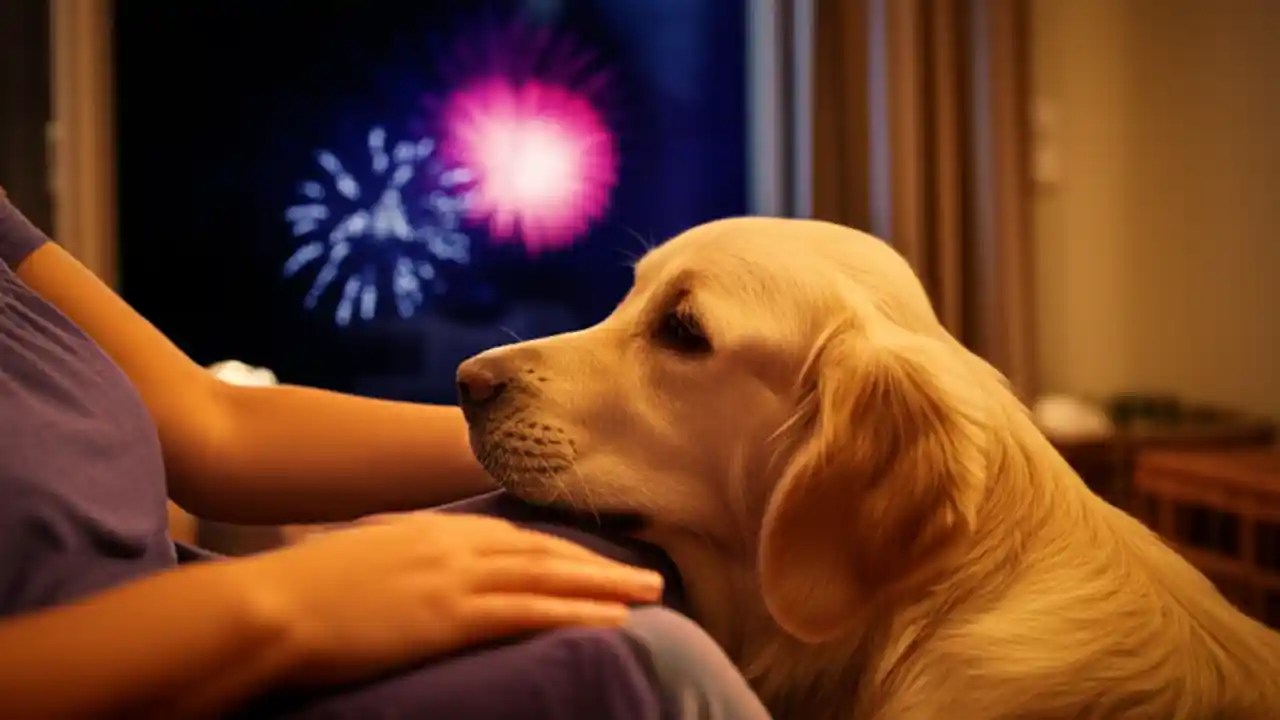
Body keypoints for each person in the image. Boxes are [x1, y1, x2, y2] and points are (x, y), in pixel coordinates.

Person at [0, 189, 769, 719]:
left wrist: (567, 445)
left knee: (628, 548)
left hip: (198, 616)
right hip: (157, 672)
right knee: (644, 665)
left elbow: (215, 426)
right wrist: (285, 605)